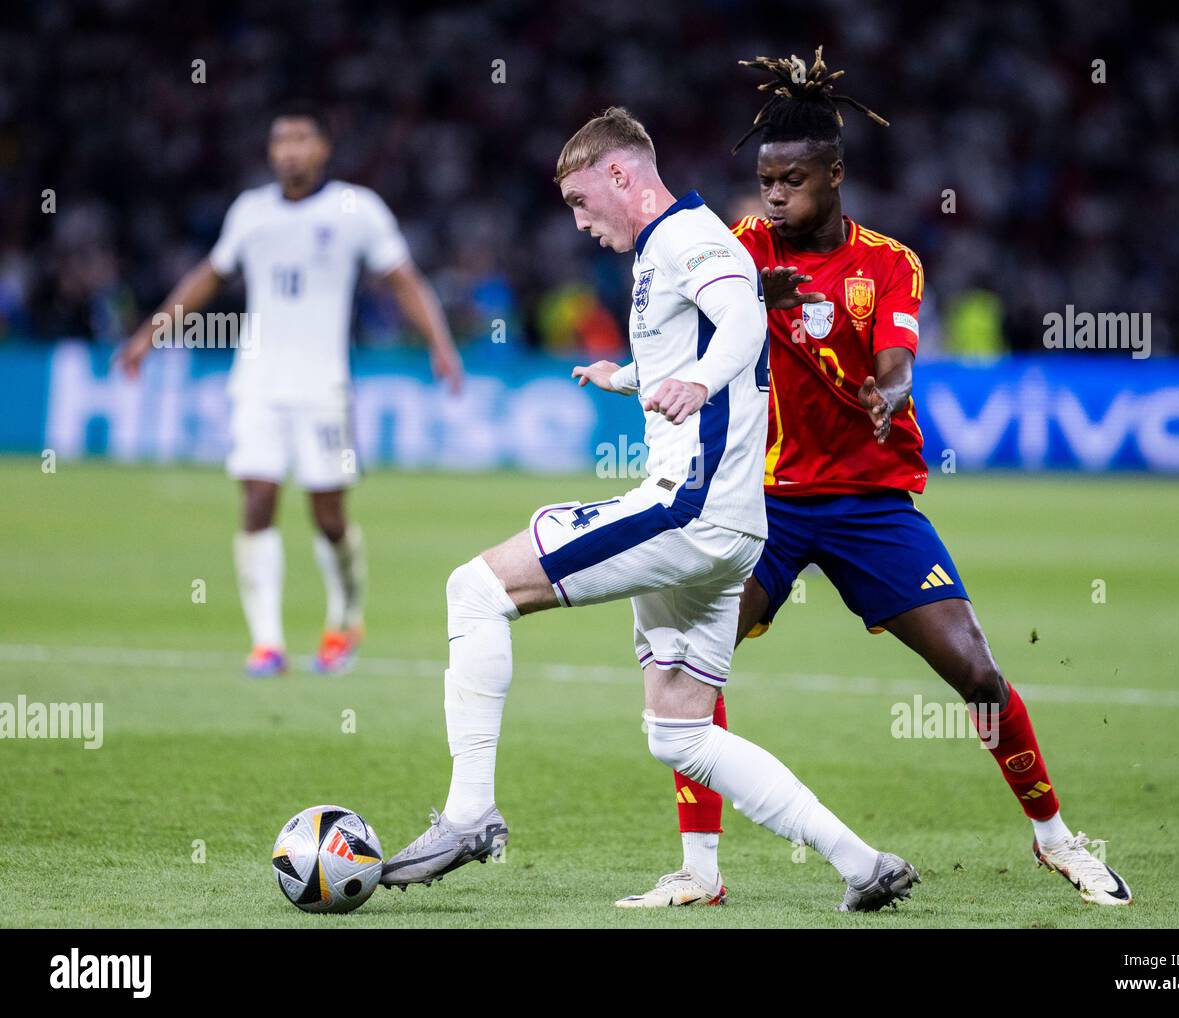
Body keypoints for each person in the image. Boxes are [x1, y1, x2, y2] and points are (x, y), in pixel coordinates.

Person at [617, 50, 1132, 908]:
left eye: (792, 180)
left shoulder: (888, 264)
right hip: (761, 506)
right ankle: (699, 871)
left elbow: (896, 364)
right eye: (765, 181)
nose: (774, 196)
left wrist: (887, 396)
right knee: (689, 672)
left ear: (835, 174)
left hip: (870, 505)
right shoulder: (737, 251)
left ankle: (1057, 840)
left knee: (977, 674)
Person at [379, 107, 919, 912]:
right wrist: (633, 376)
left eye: (579, 200)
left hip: (687, 509)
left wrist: (697, 381)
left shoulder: (688, 240)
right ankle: (863, 862)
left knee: (475, 589)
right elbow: (710, 337)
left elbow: (740, 316)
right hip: (729, 527)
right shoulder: (676, 250)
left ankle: (469, 814)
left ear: (621, 176)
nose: (579, 221)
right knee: (679, 731)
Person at [121, 102, 463, 677]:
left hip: (324, 386)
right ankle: (267, 642)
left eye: (302, 138)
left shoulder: (357, 208)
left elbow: (403, 279)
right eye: (281, 139)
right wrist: (149, 333)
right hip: (255, 383)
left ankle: (344, 620)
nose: (290, 149)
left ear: (323, 149)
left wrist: (440, 341)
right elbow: (210, 273)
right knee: (257, 499)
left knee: (328, 514)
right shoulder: (251, 212)